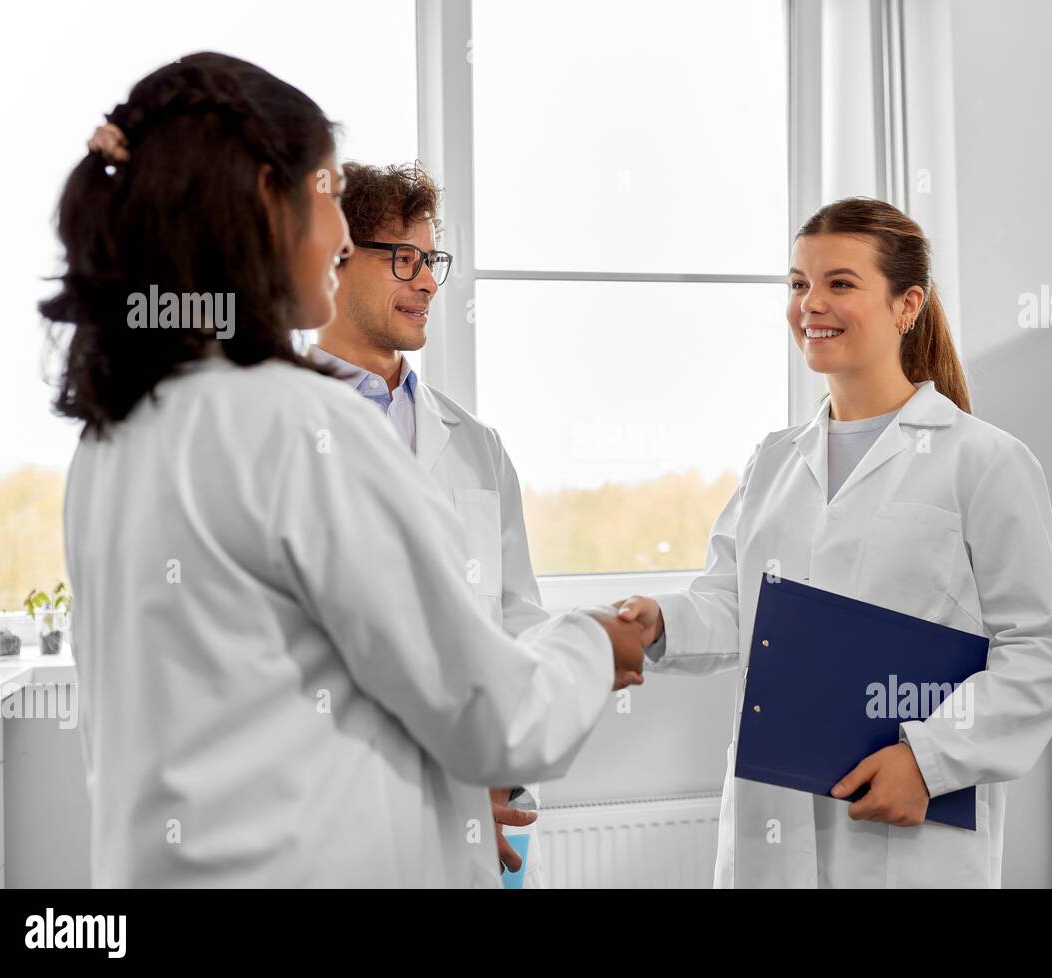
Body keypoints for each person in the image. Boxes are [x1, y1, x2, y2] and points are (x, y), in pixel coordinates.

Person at [48, 52, 644, 888]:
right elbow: (501, 717)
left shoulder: (115, 433)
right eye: (328, 197)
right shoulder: (298, 427)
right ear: (266, 198)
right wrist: (595, 642)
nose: (335, 239)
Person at [616, 197, 1052, 888]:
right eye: (798, 284)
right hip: (772, 820)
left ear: (907, 305)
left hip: (910, 835)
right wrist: (662, 621)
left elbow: (1043, 651)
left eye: (840, 283)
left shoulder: (983, 461)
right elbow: (737, 603)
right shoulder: (774, 460)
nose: (811, 303)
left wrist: (928, 759)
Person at [307, 160, 551, 886]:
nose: (427, 283)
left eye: (432, 260)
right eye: (403, 260)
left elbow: (520, 624)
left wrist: (507, 765)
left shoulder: (475, 445)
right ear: (335, 261)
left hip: (485, 822)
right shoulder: (274, 433)